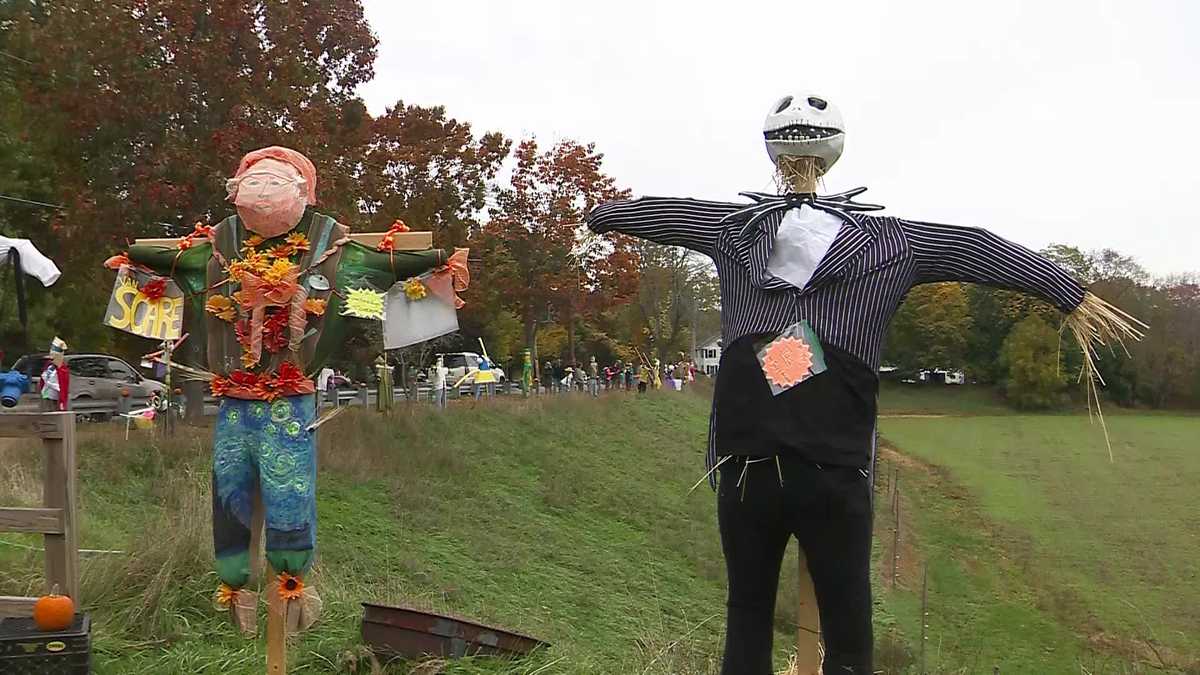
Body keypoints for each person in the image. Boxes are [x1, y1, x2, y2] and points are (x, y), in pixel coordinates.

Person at [584, 92, 1142, 675]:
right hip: (834, 471)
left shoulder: (734, 231)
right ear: (832, 153)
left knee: (747, 614)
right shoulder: (889, 243)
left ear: (777, 156)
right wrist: (1069, 293)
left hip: (748, 464)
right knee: (848, 628)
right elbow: (973, 246)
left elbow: (666, 212)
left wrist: (602, 213)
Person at [117, 146, 460, 636]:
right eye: (252, 183)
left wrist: (438, 261)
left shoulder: (336, 251)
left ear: (303, 192)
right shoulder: (216, 251)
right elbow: (157, 255)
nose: (262, 192)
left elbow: (401, 262)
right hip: (234, 402)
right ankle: (235, 589)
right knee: (230, 491)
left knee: (289, 494)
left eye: (274, 183)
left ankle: (291, 590)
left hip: (291, 403)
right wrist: (135, 257)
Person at [39, 337, 70, 412]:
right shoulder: (49, 366)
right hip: (46, 393)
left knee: (54, 410)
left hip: (55, 394)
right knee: (47, 409)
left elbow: (62, 384)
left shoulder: (62, 369)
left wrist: (52, 385)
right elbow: (44, 377)